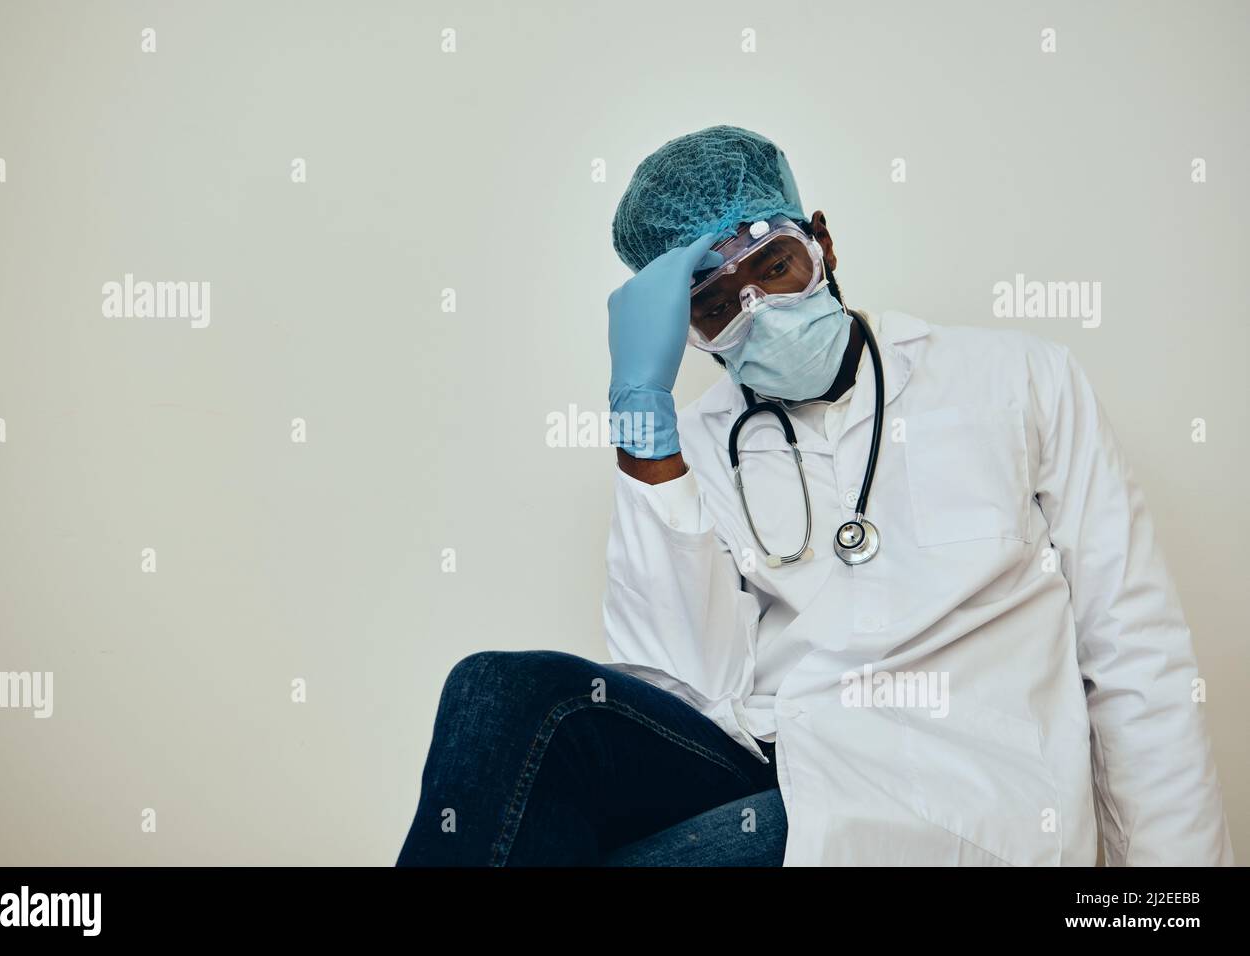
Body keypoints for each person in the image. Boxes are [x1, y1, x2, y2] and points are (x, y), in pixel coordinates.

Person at [397, 125, 1232, 867]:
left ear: (823, 242)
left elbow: (1137, 653)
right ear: (683, 333)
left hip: (977, 799)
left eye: (774, 267)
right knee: (497, 691)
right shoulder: (689, 448)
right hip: (781, 770)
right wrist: (642, 425)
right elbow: (689, 697)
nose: (756, 312)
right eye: (716, 306)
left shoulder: (1017, 380)